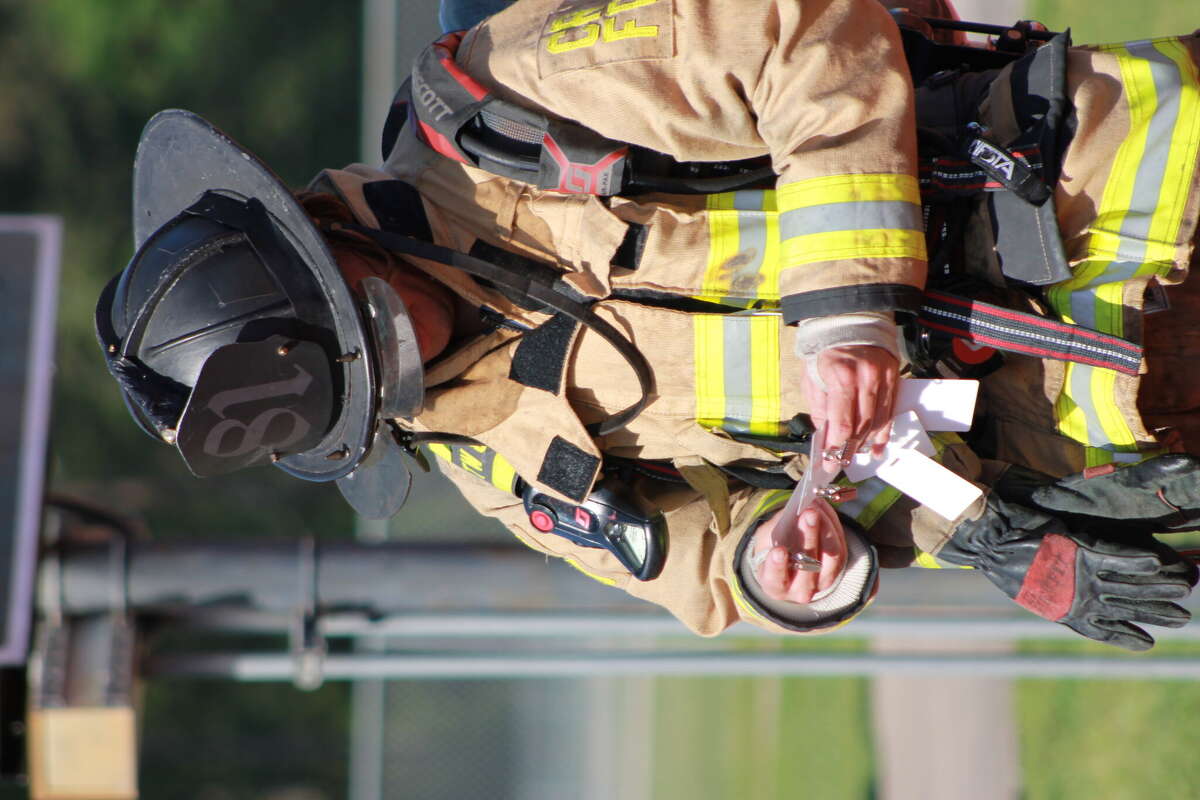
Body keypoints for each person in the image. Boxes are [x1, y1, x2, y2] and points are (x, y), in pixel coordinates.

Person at [97, 0, 1200, 649]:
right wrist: (780, 560)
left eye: (372, 321)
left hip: (1133, 193)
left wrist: (846, 311)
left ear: (329, 240)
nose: (411, 368)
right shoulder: (498, 462)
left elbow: (808, 32)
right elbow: (704, 564)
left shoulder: (512, 98)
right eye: (374, 395)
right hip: (1141, 424)